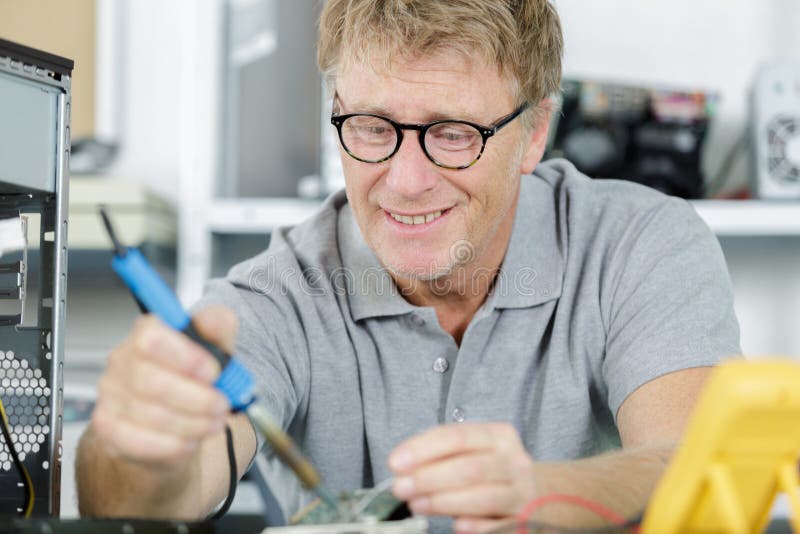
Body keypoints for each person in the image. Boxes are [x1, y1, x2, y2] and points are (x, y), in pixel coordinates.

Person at [76, 0, 741, 531]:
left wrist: (535, 495)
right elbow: (156, 494)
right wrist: (137, 448)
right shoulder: (279, 294)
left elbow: (700, 465)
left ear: (534, 132)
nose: (406, 180)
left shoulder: (641, 246)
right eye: (371, 127)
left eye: (453, 134)